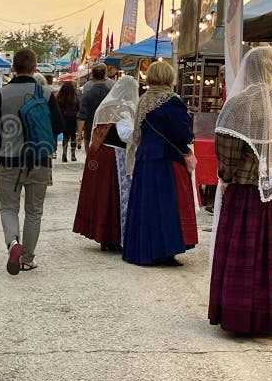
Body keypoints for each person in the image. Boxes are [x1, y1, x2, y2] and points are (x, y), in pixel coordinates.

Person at [208, 46, 272, 335]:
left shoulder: (239, 103)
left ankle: (244, 313)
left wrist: (226, 179)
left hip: (248, 190)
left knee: (247, 254)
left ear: (248, 70)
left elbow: (227, 151)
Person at [0, 48, 63, 275]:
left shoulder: (2, 94)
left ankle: (13, 243)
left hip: (8, 158)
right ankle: (27, 259)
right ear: (34, 67)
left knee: (9, 207)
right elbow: (58, 126)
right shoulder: (46, 94)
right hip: (38, 158)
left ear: (13, 67)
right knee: (34, 210)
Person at [123, 61, 198, 266]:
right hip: (166, 160)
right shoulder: (172, 101)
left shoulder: (143, 100)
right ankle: (165, 250)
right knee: (166, 206)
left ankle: (144, 250)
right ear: (169, 77)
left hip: (146, 158)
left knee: (147, 205)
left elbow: (138, 134)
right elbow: (182, 133)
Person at [73, 75, 138, 251]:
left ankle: (103, 236)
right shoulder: (125, 109)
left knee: (101, 196)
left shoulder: (107, 105)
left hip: (99, 154)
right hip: (114, 156)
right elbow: (125, 134)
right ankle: (113, 237)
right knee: (114, 197)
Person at [77, 64, 112, 152]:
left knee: (90, 158)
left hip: (90, 130)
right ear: (105, 75)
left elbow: (82, 115)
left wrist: (79, 133)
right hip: (107, 131)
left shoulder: (87, 94)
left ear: (92, 76)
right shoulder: (110, 94)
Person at [55, 81, 80, 162]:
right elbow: (78, 108)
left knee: (65, 137)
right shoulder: (75, 97)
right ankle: (73, 155)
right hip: (73, 118)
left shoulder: (60, 97)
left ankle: (64, 154)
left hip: (64, 118)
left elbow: (57, 109)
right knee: (73, 136)